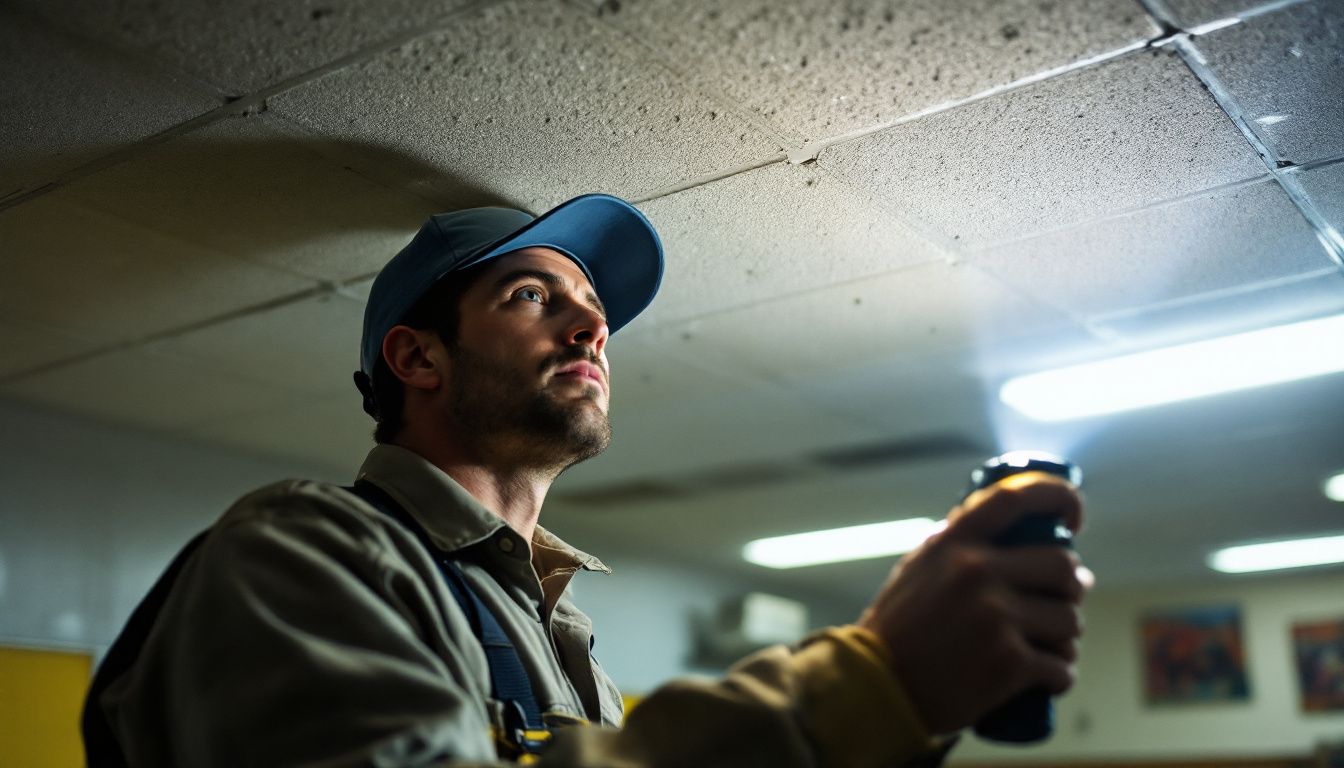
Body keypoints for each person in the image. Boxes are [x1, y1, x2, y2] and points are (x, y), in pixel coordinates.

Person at [83, 193, 1091, 767]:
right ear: (418, 359)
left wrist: (913, 718)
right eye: (532, 294)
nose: (591, 326)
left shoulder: (566, 646)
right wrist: (867, 688)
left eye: (593, 308)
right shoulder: (303, 552)